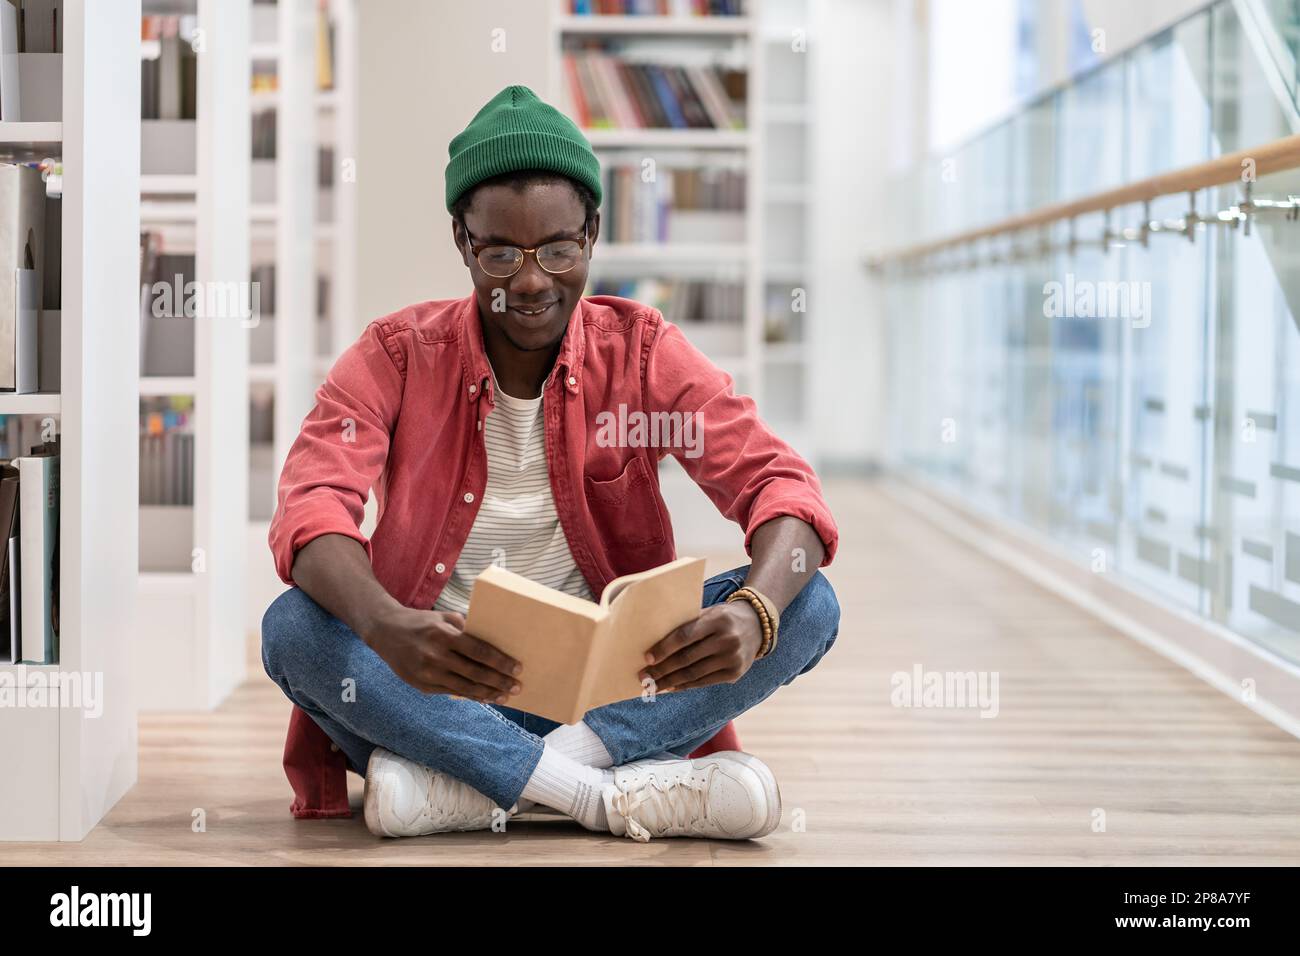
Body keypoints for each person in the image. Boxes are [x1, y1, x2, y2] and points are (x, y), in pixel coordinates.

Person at [260, 85, 841, 842]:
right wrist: (389, 625)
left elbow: (779, 485)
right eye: (501, 252)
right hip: (438, 694)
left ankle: (491, 786)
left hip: (616, 699)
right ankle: (601, 794)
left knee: (809, 604)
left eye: (559, 249)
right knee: (293, 628)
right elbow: (310, 509)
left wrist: (752, 612)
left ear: (593, 234)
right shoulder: (397, 356)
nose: (531, 281)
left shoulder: (640, 351)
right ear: (464, 243)